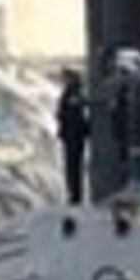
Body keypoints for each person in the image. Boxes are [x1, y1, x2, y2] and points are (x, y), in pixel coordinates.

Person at [56, 69, 89, 205]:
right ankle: (74, 194)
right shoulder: (74, 92)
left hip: (73, 134)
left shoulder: (74, 92)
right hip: (73, 133)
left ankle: (75, 195)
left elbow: (69, 113)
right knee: (73, 166)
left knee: (73, 165)